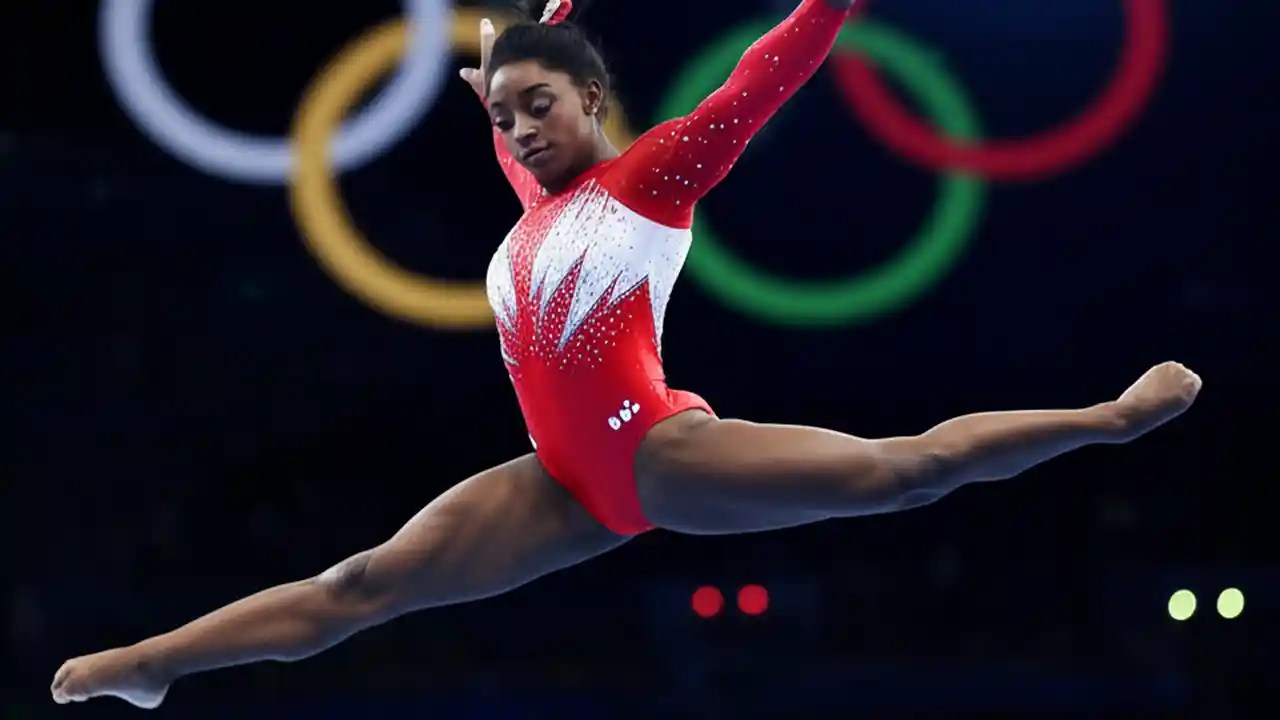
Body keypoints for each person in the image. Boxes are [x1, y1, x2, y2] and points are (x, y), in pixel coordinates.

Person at [51, 0, 1201, 708]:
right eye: (501, 118)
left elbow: (757, 85)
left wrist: (829, 8)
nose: (517, 131)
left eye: (538, 107)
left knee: (899, 472)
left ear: (593, 98)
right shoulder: (529, 195)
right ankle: (153, 662)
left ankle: (1108, 417)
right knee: (361, 587)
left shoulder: (647, 177)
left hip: (652, 454)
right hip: (557, 485)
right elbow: (523, 78)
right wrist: (510, 53)